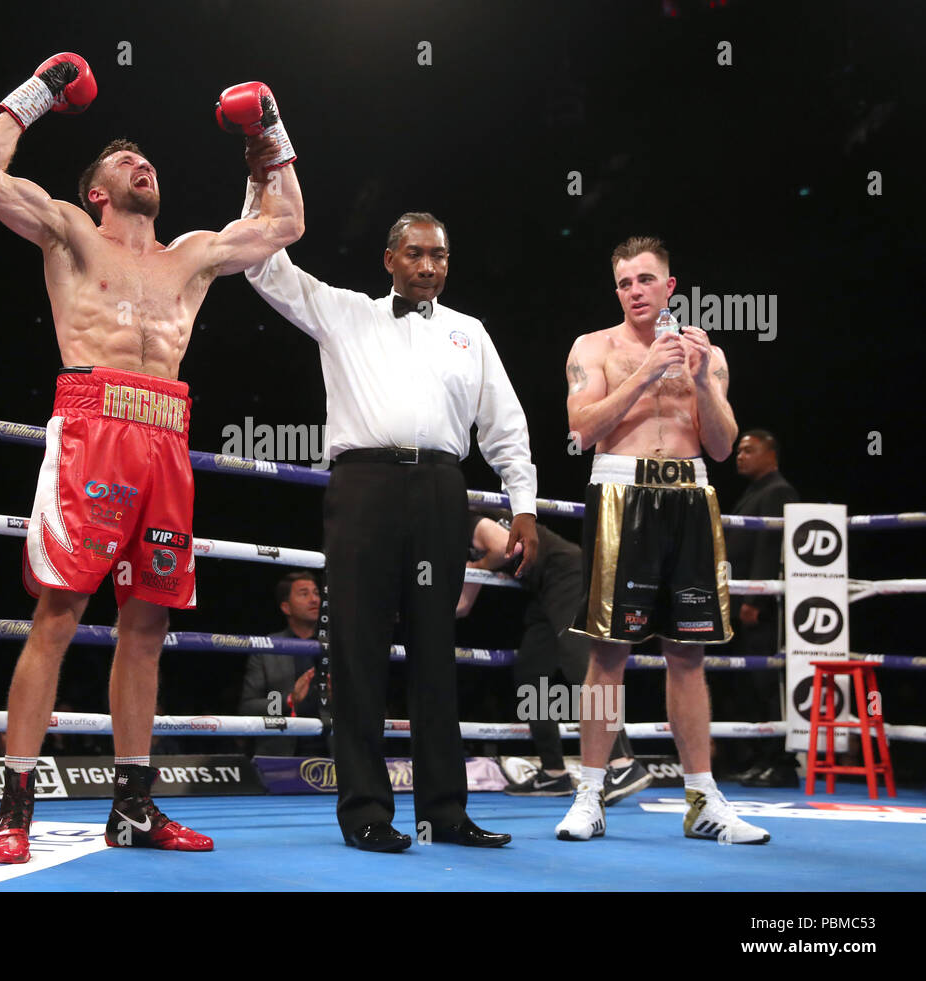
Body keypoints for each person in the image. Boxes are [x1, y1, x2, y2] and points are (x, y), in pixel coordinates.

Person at [0, 54, 303, 860]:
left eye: (146, 159)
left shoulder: (192, 253)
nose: (141, 163)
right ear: (97, 192)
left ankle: (134, 807)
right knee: (59, 615)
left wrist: (271, 132)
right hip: (91, 425)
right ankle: (14, 807)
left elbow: (285, 225)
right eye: (123, 160)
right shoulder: (71, 232)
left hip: (167, 436)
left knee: (146, 628)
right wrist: (39, 92)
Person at [244, 198, 538, 852]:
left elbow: (506, 427)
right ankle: (366, 812)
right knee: (356, 651)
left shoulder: (470, 332)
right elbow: (264, 268)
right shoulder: (344, 311)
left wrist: (523, 503)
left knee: (437, 651)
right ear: (389, 259)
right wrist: (264, 171)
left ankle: (445, 811)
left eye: (439, 255)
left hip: (440, 489)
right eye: (416, 253)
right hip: (365, 488)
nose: (429, 266)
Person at [555, 235, 768, 844]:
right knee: (607, 654)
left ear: (669, 286)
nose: (635, 292)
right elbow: (580, 428)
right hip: (621, 494)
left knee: (688, 652)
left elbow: (723, 446)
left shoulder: (709, 353)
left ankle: (702, 797)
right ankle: (590, 793)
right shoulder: (593, 348)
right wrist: (648, 373)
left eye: (645, 280)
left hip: (692, 495)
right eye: (624, 283)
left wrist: (699, 379)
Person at [458, 510, 650, 802]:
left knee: (579, 664)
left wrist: (480, 564)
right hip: (542, 590)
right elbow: (462, 605)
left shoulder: (467, 519)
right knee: (530, 673)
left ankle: (623, 763)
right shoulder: (456, 542)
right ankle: (553, 773)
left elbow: (506, 548)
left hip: (566, 574)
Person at [720, 430, 799, 786]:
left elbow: (770, 547)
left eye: (749, 450)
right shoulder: (756, 491)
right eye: (739, 450)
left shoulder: (777, 490)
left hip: (759, 607)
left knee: (766, 683)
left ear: (771, 454)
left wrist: (754, 599)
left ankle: (781, 764)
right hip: (739, 603)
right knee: (748, 685)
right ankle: (760, 758)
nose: (740, 456)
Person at [239, 570, 326, 756]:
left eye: (316, 593)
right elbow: (249, 707)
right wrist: (288, 700)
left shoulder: (336, 647)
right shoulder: (268, 648)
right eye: (304, 593)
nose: (314, 600)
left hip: (333, 754)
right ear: (286, 607)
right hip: (282, 755)